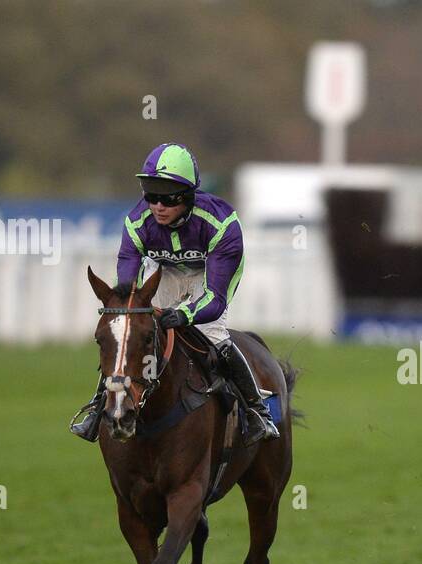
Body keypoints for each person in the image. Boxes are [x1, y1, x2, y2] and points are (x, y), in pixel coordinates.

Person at [70, 142, 279, 443]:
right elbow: (127, 283)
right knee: (127, 333)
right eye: (151, 195)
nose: (157, 207)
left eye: (166, 198)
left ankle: (258, 411)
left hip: (207, 275)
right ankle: (98, 408)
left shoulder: (222, 224)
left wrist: (182, 315)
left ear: (188, 196)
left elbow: (215, 301)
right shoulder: (136, 223)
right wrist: (129, 309)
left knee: (213, 333)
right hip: (165, 271)